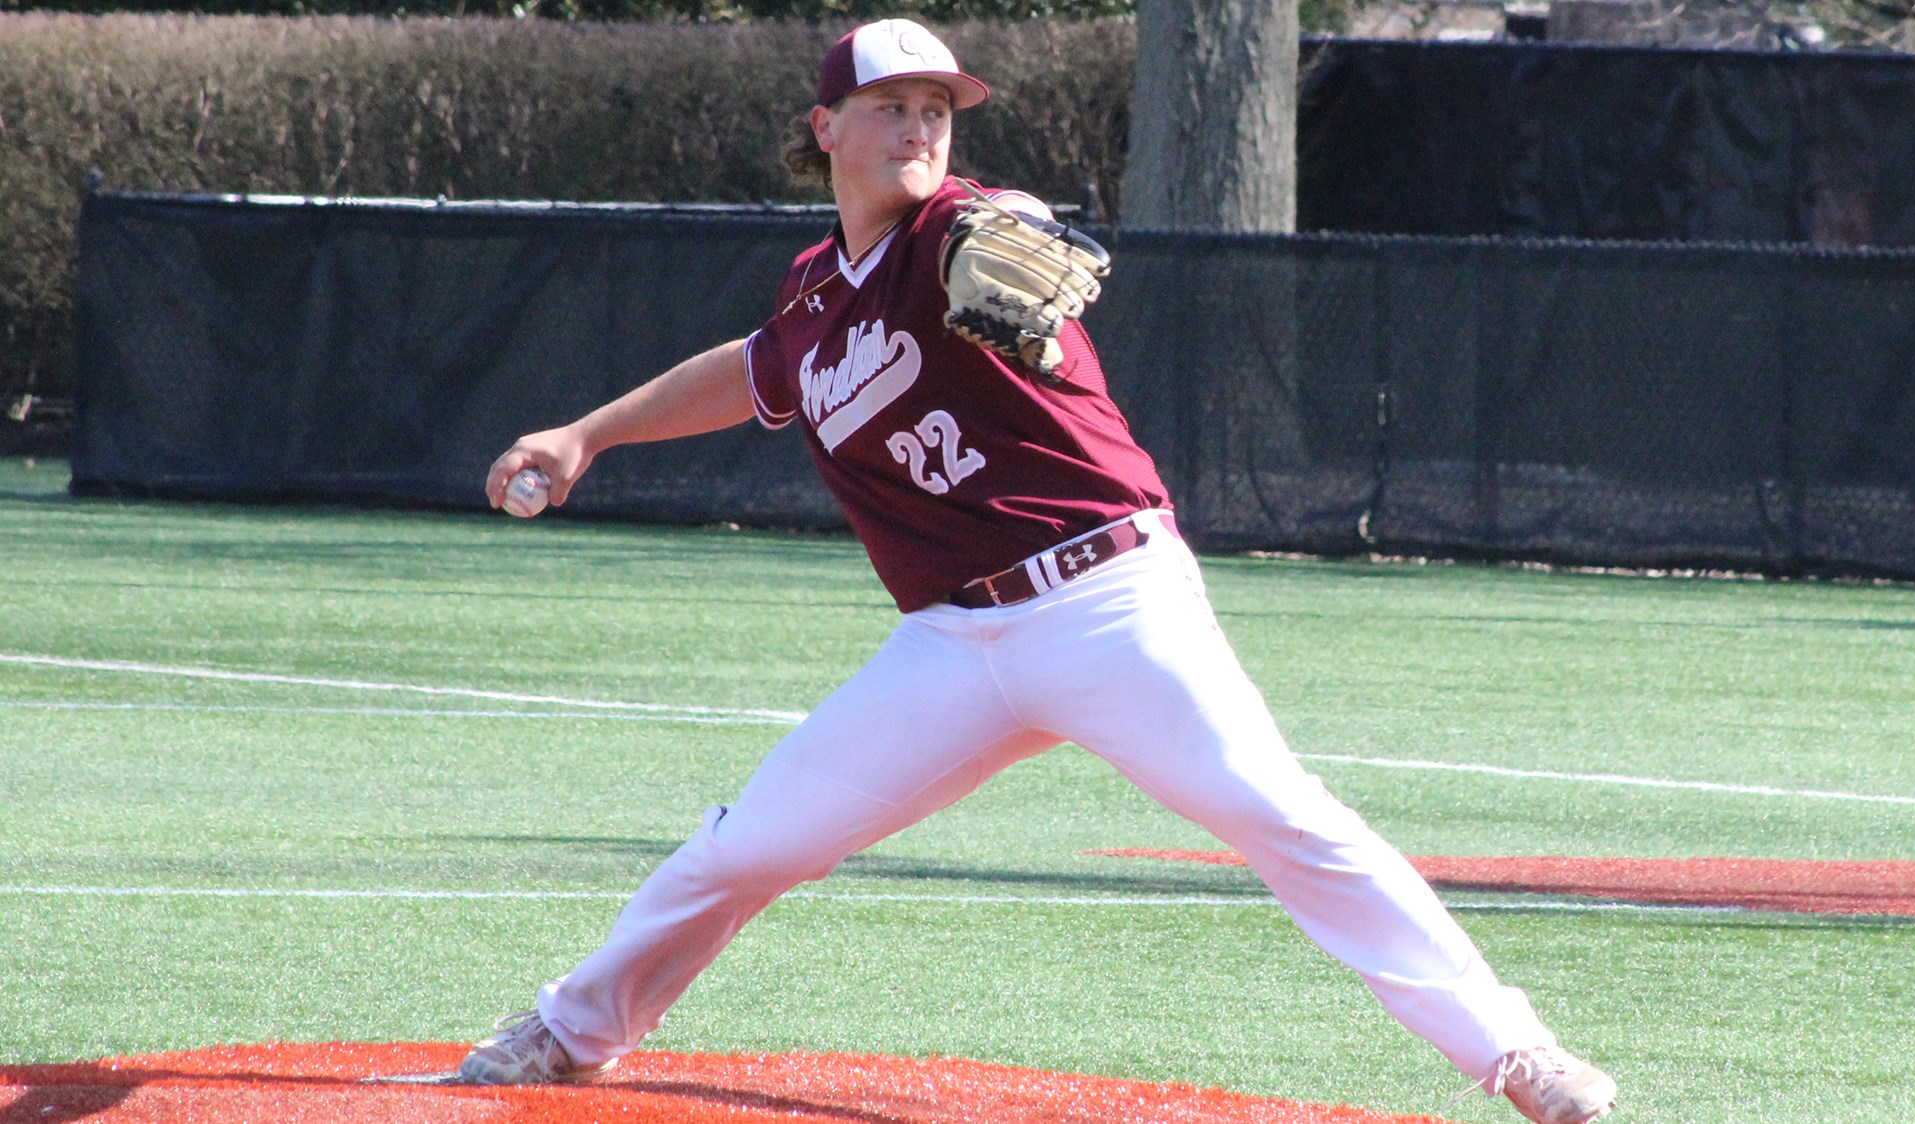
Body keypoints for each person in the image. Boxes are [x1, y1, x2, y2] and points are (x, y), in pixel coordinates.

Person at [460, 18, 1617, 1124]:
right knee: (752, 841)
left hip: (1107, 600)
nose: (919, 129)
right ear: (826, 128)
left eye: (936, 108)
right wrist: (588, 433)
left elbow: (1008, 222)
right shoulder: (813, 292)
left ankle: (1514, 1050)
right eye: (889, 107)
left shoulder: (963, 226)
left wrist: (1005, 231)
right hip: (952, 646)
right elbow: (756, 368)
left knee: (1277, 813)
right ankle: (569, 1026)